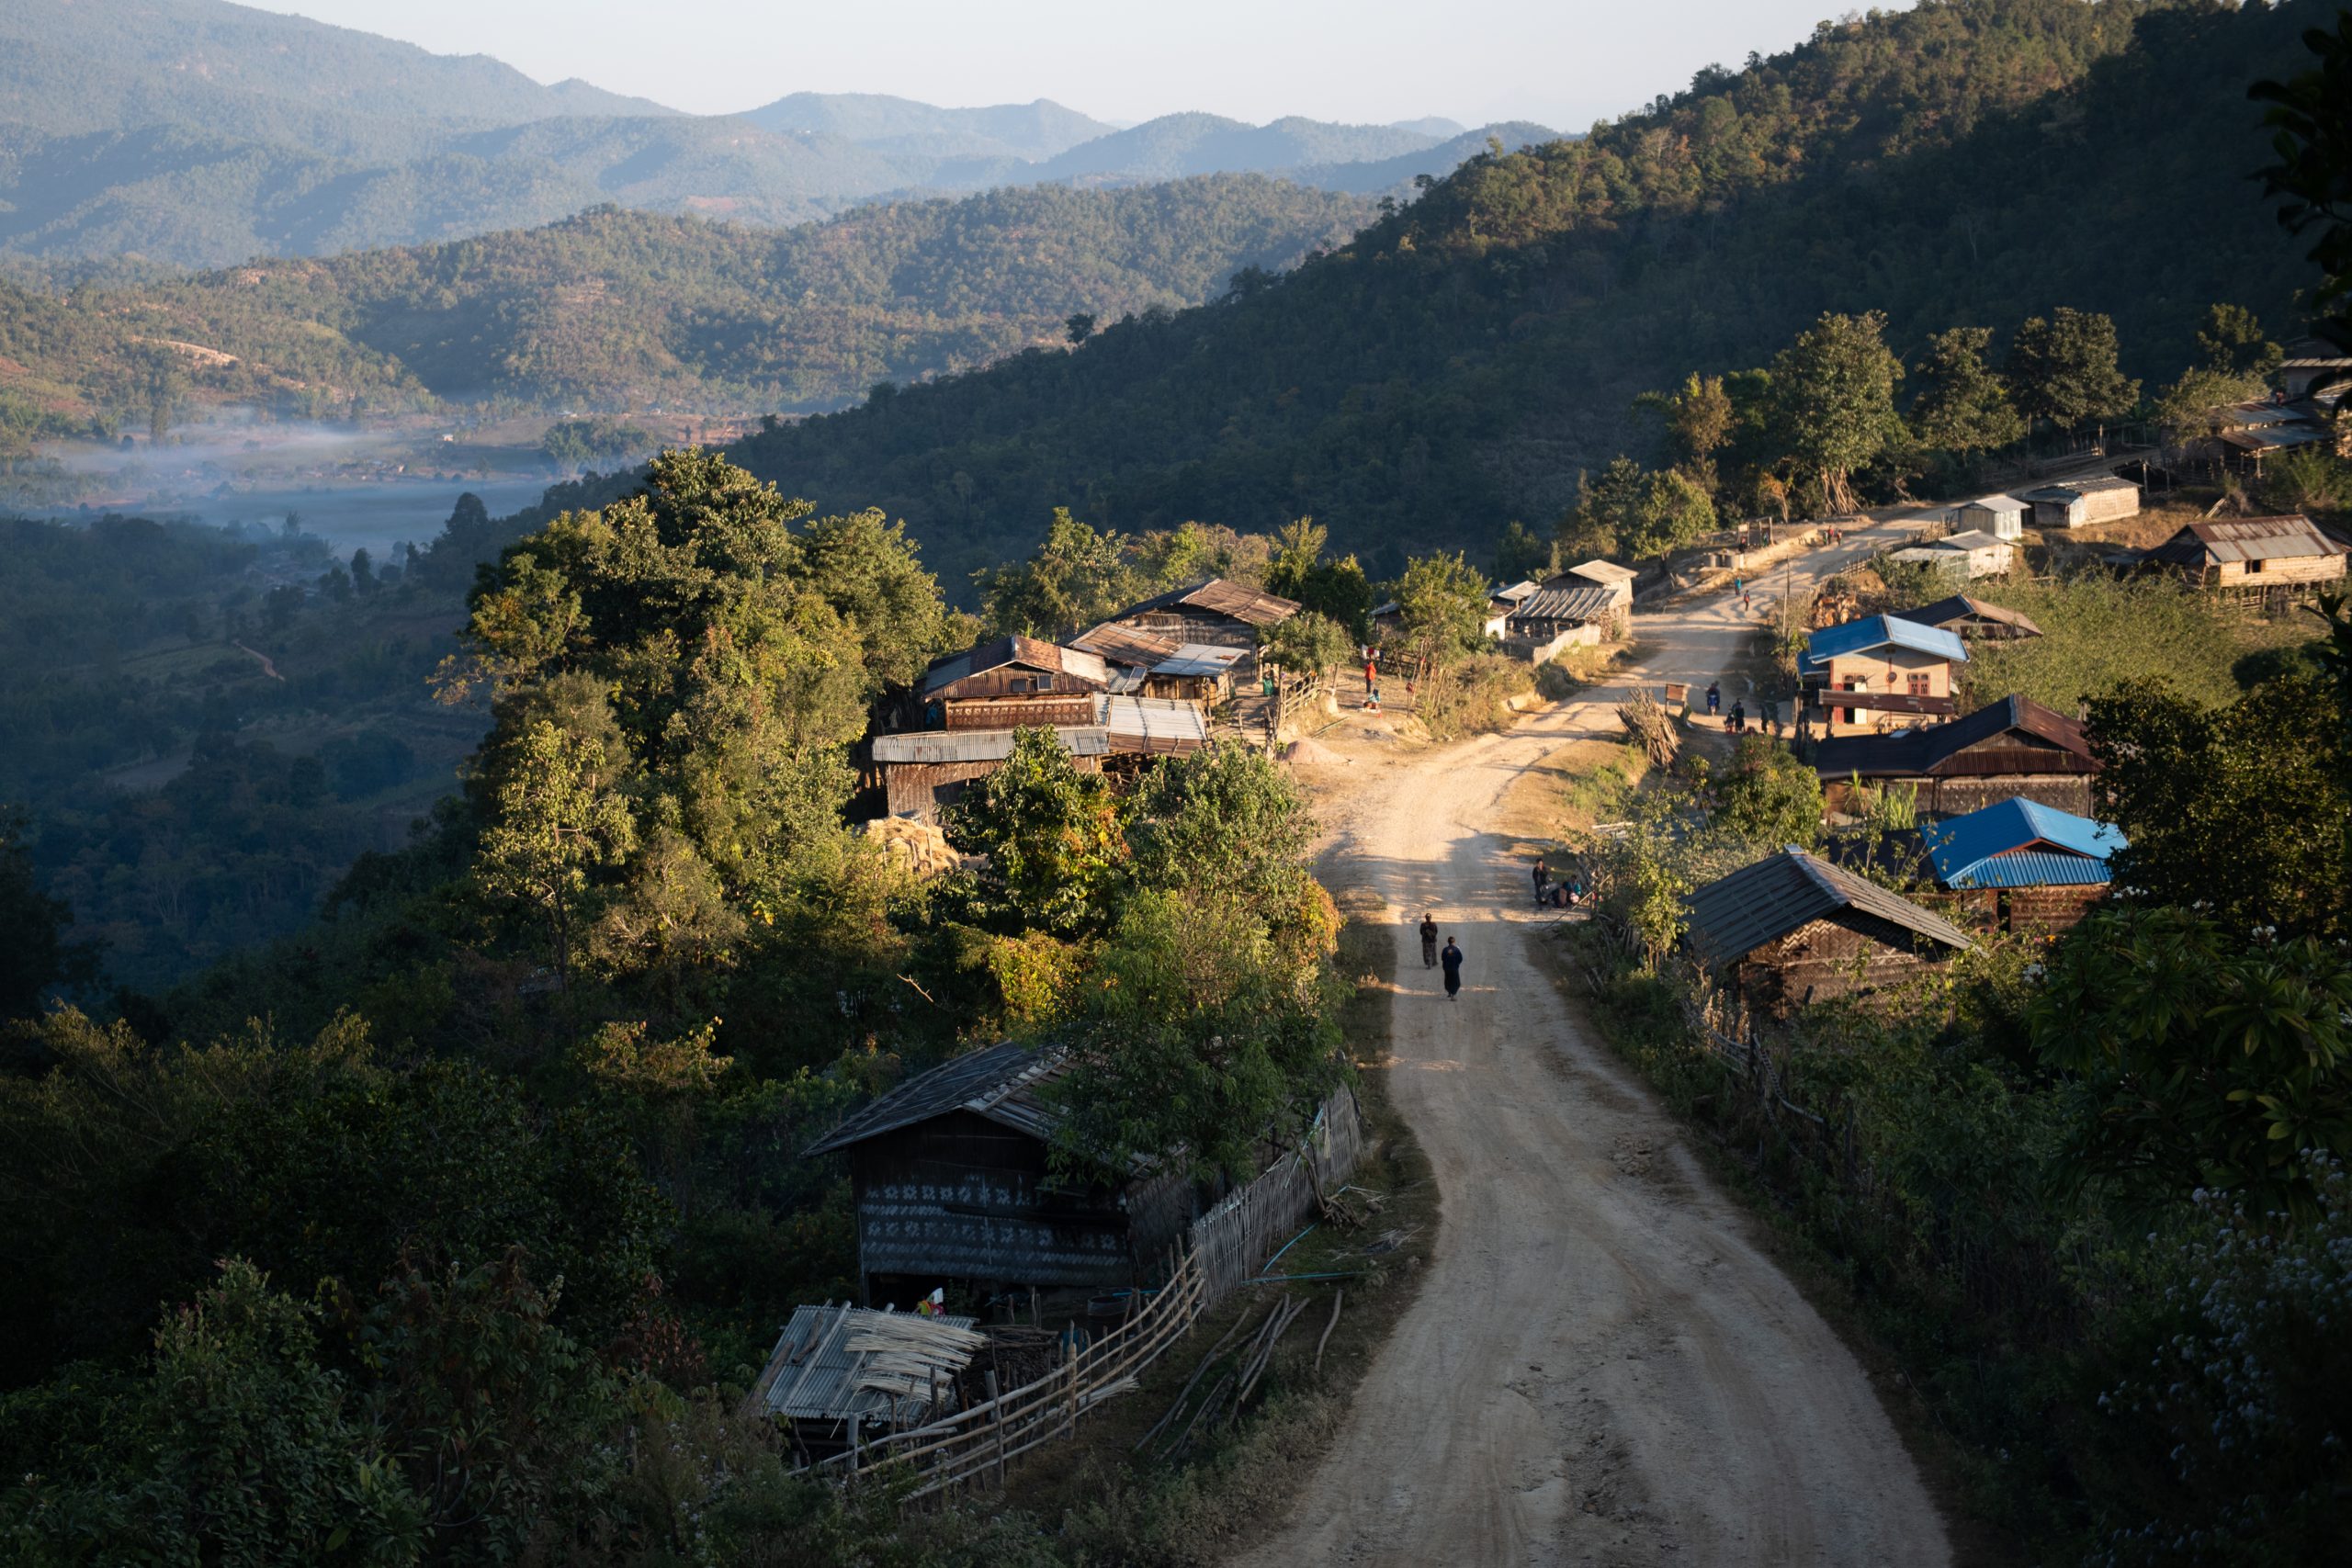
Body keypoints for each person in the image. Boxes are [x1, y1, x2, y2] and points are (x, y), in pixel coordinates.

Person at [1441, 937, 1464, 1001]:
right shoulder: (1457, 949)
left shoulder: (1445, 949)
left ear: (1448, 942)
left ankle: (1449, 992)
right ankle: (1453, 995)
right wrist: (1456, 964)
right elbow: (1460, 959)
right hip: (1454, 968)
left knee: (1448, 980)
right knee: (1456, 982)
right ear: (1454, 942)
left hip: (1447, 968)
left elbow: (1442, 958)